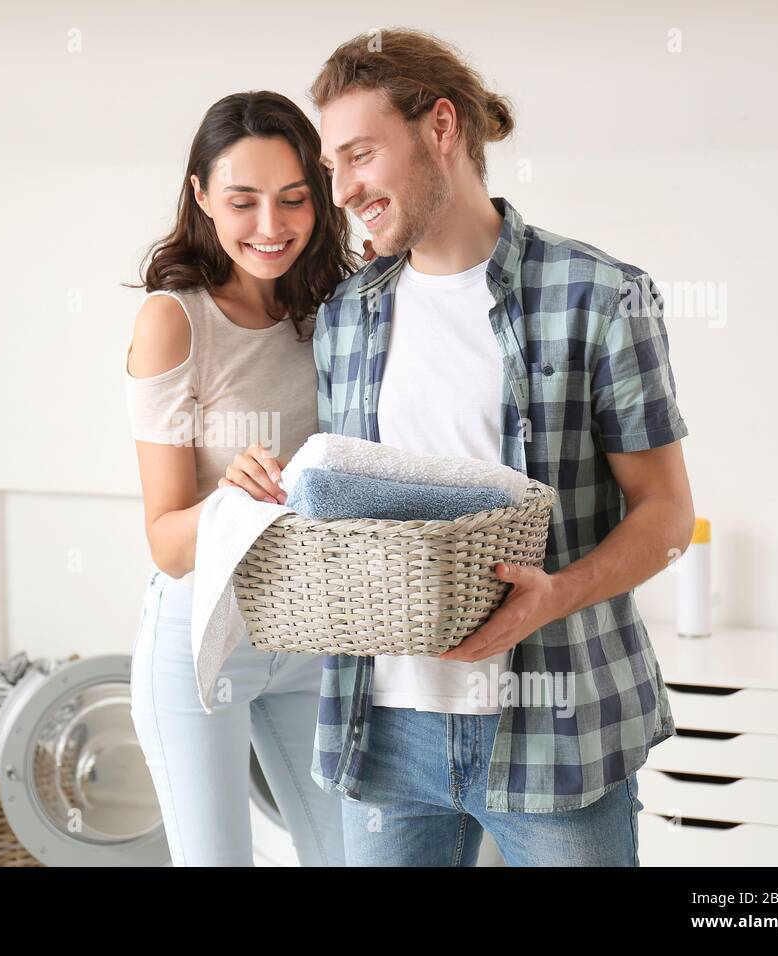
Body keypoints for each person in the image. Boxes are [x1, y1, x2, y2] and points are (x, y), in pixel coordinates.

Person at [301, 28, 695, 866]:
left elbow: (666, 514)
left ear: (440, 127)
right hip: (384, 732)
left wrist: (553, 595)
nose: (342, 190)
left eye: (360, 154)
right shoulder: (346, 317)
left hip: (557, 731)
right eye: (332, 165)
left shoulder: (598, 295)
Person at [123, 90, 361, 865]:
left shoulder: (334, 306)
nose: (272, 226)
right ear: (199, 196)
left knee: (351, 855)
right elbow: (166, 540)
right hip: (202, 641)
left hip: (314, 629)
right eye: (243, 201)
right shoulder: (175, 320)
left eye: (294, 199)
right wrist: (231, 500)